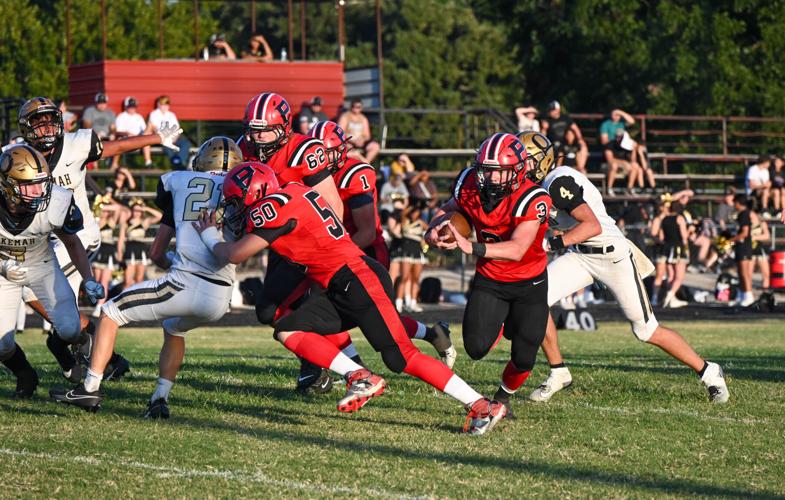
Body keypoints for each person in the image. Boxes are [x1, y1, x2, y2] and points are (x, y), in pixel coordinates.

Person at [194, 162, 506, 435]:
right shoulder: (292, 192)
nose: (234, 209)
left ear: (256, 195)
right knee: (289, 330)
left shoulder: (274, 206)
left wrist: (209, 234)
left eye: (236, 202)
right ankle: (360, 375)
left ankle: (482, 406)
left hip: (356, 279)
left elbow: (234, 253)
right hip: (340, 283)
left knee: (401, 358)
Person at [514, 131, 729, 405]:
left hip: (610, 255)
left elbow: (592, 226)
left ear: (541, 161)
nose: (519, 167)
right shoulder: (536, 186)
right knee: (534, 300)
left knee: (646, 330)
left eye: (524, 160)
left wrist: (553, 243)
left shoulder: (557, 183)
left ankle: (709, 371)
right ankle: (558, 372)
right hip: (580, 255)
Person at [50, 137, 242, 417]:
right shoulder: (246, 188)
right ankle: (159, 400)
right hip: (221, 296)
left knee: (110, 312)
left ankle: (90, 389)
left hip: (185, 283)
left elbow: (156, 253)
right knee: (174, 328)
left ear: (201, 161)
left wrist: (173, 266)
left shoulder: (178, 181)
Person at [10, 97, 181, 377]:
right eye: (40, 124)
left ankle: (84, 347)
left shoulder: (76, 144)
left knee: (30, 289)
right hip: (48, 241)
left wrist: (156, 137)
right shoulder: (19, 156)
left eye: (52, 121)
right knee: (54, 306)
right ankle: (95, 355)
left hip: (80, 236)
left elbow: (115, 147)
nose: (48, 129)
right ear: (27, 129)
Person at [425, 132, 551, 418]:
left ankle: (502, 398)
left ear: (519, 171)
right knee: (475, 347)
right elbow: (451, 209)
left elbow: (518, 248)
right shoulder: (469, 182)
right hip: (492, 279)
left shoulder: (534, 197)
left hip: (529, 281)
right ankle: (498, 321)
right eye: (486, 171)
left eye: (499, 172)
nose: (491, 179)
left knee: (524, 354)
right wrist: (433, 228)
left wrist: (472, 246)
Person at [0, 144, 105, 397]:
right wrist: (3, 267)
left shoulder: (55, 200)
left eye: (42, 182)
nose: (39, 191)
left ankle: (59, 347)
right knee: (1, 346)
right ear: (7, 185)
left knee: (70, 330)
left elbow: (71, 241)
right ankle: (25, 373)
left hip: (42, 264)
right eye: (30, 185)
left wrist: (89, 278)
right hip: (2, 270)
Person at [651, 201, 690, 308]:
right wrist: (687, 249)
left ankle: (670, 298)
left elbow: (662, 236)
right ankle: (670, 294)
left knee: (671, 275)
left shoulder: (664, 219)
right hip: (676, 249)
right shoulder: (679, 218)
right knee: (678, 276)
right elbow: (684, 236)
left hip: (667, 249)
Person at [119, 198, 161, 288]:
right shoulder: (126, 223)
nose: (137, 212)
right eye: (135, 210)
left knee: (139, 280)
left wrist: (146, 208)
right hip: (129, 250)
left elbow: (159, 216)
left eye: (139, 210)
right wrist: (119, 252)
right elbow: (121, 239)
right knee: (128, 280)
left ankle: (138, 301)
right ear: (132, 210)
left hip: (141, 250)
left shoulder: (144, 222)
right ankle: (125, 301)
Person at [540, 101, 588, 173]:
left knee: (583, 147)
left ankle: (580, 168)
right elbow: (543, 135)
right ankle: (557, 170)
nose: (551, 112)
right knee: (560, 149)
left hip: (567, 141)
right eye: (550, 110)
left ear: (558, 110)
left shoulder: (565, 118)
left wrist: (580, 139)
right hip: (554, 144)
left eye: (553, 110)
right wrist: (544, 129)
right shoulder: (547, 120)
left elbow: (575, 128)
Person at [147, 95, 192, 169]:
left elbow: (177, 128)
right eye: (162, 104)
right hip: (161, 138)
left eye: (166, 104)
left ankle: (180, 161)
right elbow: (155, 129)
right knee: (166, 145)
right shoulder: (154, 114)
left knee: (186, 143)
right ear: (158, 104)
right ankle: (176, 163)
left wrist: (174, 138)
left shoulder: (171, 115)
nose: (164, 106)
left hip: (173, 137)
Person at [730, 194, 759, 307]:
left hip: (744, 246)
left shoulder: (744, 214)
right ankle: (742, 294)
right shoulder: (741, 214)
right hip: (740, 246)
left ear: (738, 203)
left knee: (744, 272)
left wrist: (730, 240)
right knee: (740, 272)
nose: (734, 205)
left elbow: (745, 233)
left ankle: (748, 295)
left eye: (735, 203)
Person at [113, 97, 152, 168]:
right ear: (126, 107)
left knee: (147, 139)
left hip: (138, 140)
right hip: (126, 140)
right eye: (130, 107)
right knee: (118, 141)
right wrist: (127, 133)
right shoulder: (121, 116)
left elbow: (144, 130)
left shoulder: (139, 117)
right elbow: (118, 132)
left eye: (134, 107)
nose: (132, 109)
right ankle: (114, 164)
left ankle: (148, 163)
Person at [338, 100, 380, 164]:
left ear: (361, 108)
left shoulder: (363, 118)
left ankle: (366, 162)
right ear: (351, 107)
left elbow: (367, 136)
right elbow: (340, 133)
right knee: (352, 152)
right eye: (353, 106)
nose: (355, 108)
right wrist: (353, 140)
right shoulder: (345, 117)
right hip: (349, 142)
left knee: (375, 146)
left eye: (358, 107)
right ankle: (365, 164)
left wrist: (362, 140)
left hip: (361, 142)